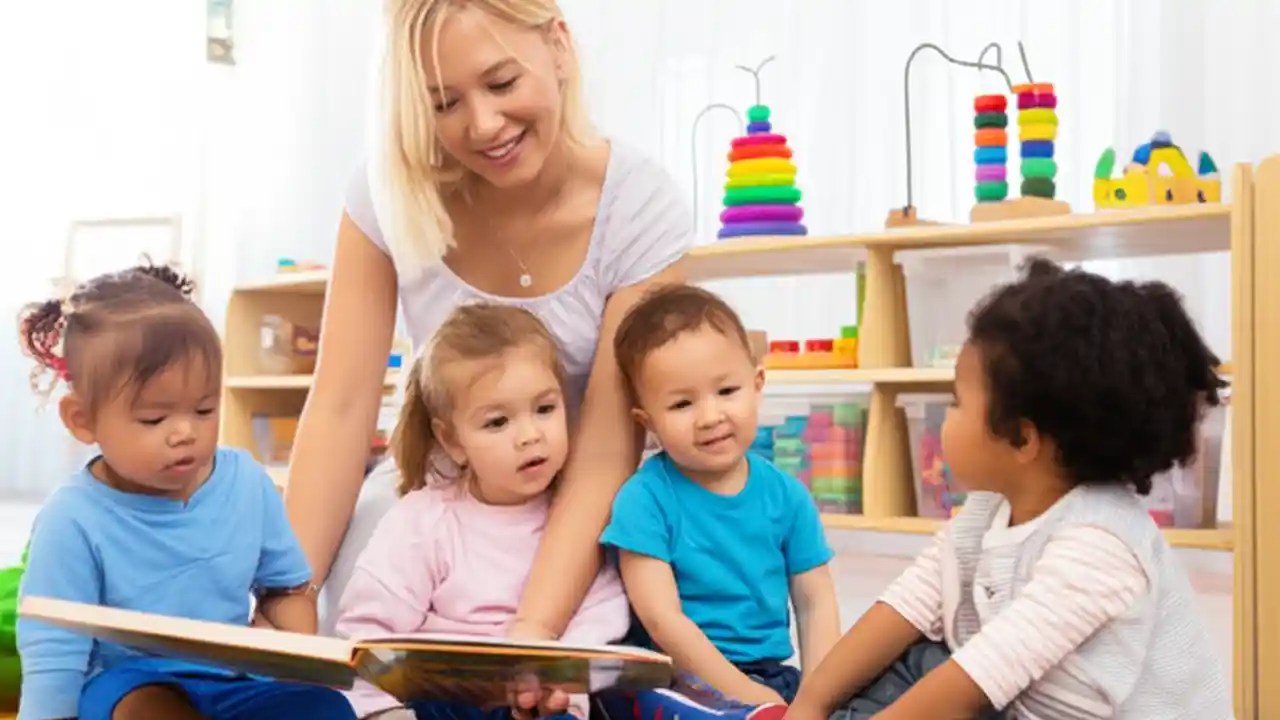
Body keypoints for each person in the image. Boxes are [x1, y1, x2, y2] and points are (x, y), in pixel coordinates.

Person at [285, 1, 691, 694]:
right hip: (440, 499)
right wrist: (290, 609)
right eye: (443, 103)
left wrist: (530, 634)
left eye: (502, 84)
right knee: (352, 653)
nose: (482, 125)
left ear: (559, 48)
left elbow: (602, 450)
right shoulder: (387, 191)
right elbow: (342, 406)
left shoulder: (638, 205)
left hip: (584, 502)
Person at [787, 258, 1232, 720]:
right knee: (907, 660)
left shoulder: (1100, 546)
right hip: (1015, 700)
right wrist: (811, 702)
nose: (947, 416)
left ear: (1022, 438)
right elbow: (911, 603)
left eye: (958, 402)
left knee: (936, 681)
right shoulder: (991, 508)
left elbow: (981, 674)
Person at [14, 263, 355, 720]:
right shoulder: (72, 517)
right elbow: (53, 647)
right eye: (154, 419)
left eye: (204, 408)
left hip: (237, 677)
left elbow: (285, 589)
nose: (184, 433)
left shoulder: (246, 483)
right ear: (83, 420)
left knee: (323, 707)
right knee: (148, 710)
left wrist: (296, 661)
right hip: (132, 683)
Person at [331, 304, 630, 720]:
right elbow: (367, 633)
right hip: (440, 697)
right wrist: (381, 711)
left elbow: (602, 612)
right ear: (452, 440)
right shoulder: (425, 521)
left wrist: (563, 687)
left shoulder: (575, 517)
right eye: (497, 423)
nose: (530, 436)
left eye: (545, 409)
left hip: (541, 701)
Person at [599, 284, 840, 707]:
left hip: (770, 675)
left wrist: (819, 697)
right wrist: (746, 695)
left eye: (727, 392)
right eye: (681, 405)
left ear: (757, 382)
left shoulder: (787, 495)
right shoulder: (643, 500)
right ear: (647, 420)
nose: (710, 417)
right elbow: (662, 619)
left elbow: (815, 600)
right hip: (675, 677)